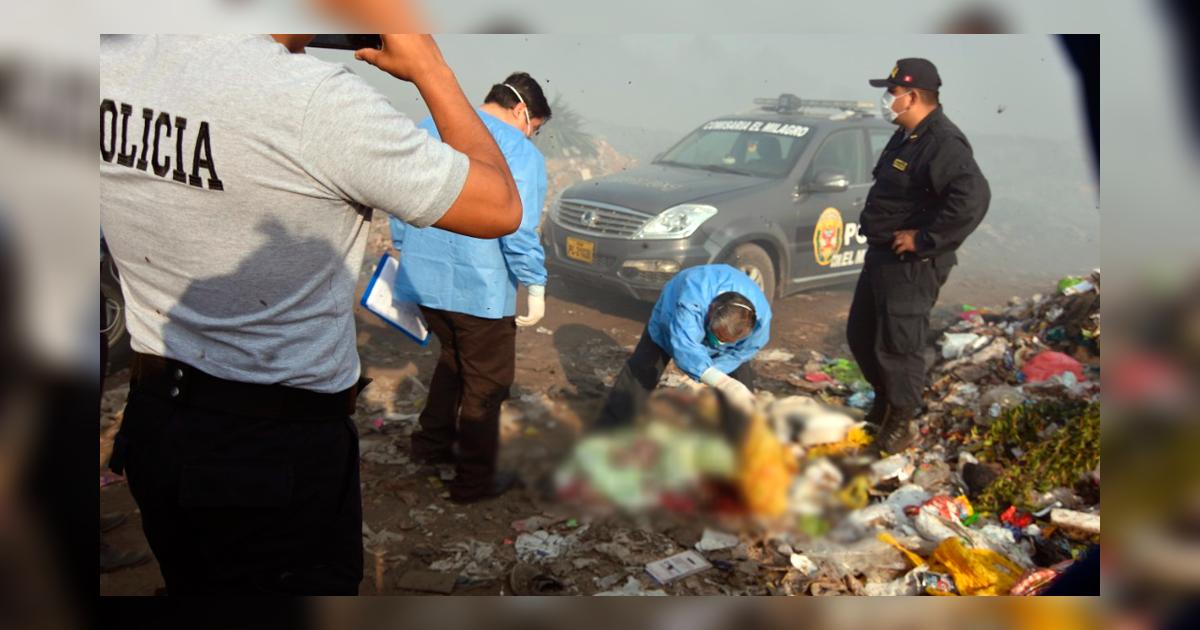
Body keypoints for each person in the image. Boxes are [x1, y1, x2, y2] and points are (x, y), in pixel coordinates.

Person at [100, 34, 523, 595]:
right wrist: (432, 69)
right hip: (271, 452)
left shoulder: (113, 61)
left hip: (157, 421)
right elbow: (499, 207)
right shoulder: (314, 102)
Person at [389, 72, 551, 503]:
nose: (532, 136)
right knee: (487, 383)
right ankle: (474, 482)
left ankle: (431, 446)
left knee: (455, 360)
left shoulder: (430, 126)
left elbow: (400, 201)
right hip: (480, 289)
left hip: (423, 280)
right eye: (535, 127)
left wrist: (406, 249)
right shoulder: (519, 152)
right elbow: (516, 225)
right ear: (522, 112)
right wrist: (534, 282)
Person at [847, 58, 991, 453]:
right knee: (861, 335)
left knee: (899, 345)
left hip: (912, 264)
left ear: (911, 96)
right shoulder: (907, 136)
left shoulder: (943, 142)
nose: (885, 98)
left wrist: (925, 239)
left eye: (891, 91)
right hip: (883, 257)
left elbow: (973, 198)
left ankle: (900, 423)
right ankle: (884, 405)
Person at [596, 264, 771, 429]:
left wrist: (718, 376)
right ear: (711, 309)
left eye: (727, 341)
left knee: (740, 392)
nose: (718, 344)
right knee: (643, 369)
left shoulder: (760, 323)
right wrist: (715, 378)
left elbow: (742, 352)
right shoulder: (691, 301)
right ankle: (611, 428)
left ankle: (742, 434)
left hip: (725, 340)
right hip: (672, 318)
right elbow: (684, 346)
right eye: (717, 337)